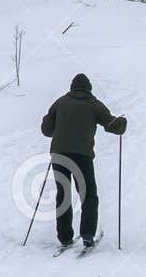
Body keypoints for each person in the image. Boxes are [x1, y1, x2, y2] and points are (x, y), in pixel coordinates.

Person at [39, 73, 126, 251]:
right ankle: (87, 234)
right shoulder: (94, 104)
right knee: (88, 195)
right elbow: (112, 125)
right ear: (89, 88)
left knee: (63, 194)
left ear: (72, 87)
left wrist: (54, 122)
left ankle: (64, 237)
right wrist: (121, 123)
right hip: (82, 156)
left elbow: (46, 130)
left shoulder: (60, 102)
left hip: (59, 155)